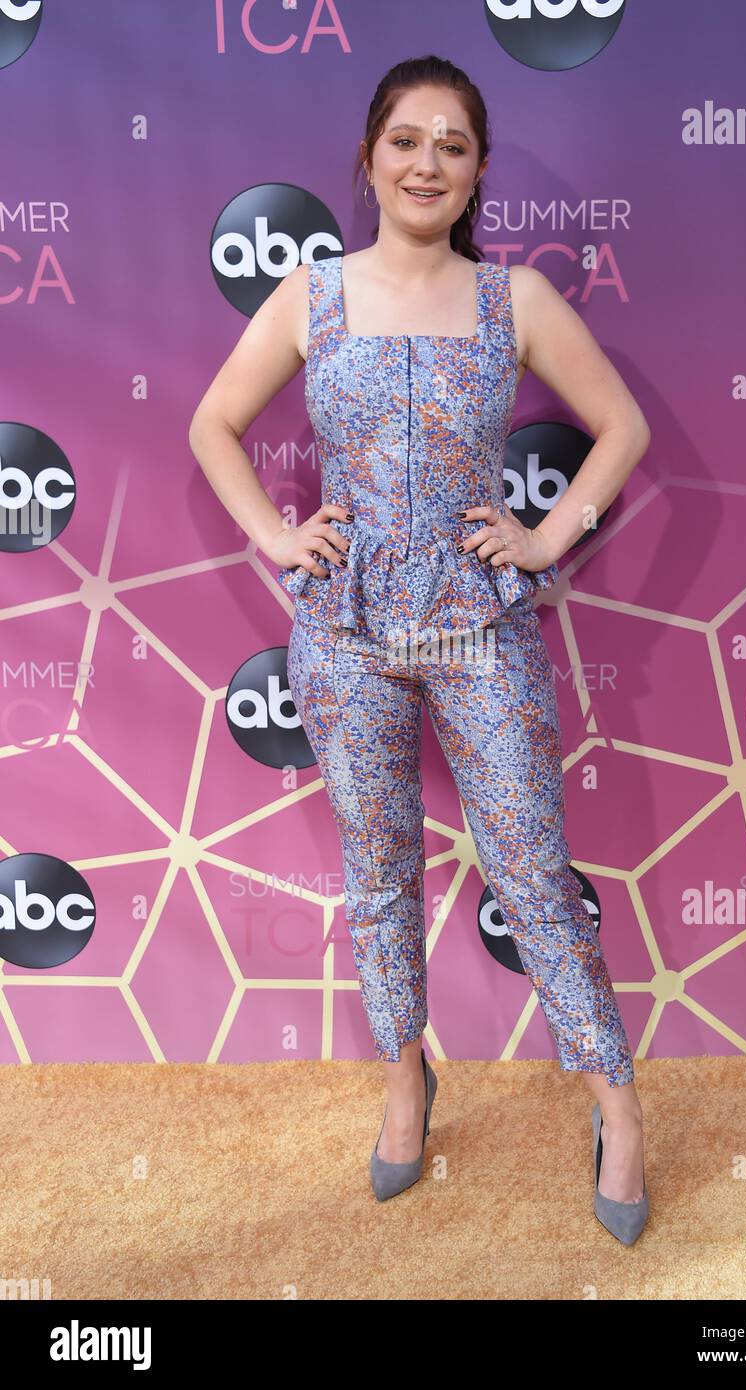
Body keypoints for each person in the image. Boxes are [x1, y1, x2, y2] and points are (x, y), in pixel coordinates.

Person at [189, 55, 651, 1244]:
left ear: (478, 169)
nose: (427, 162)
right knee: (380, 870)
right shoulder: (311, 295)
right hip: (345, 634)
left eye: (452, 144)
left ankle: (617, 1101)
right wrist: (279, 539)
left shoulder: (516, 302)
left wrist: (548, 532)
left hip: (480, 626)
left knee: (536, 874)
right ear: (369, 156)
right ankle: (407, 1079)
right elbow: (213, 423)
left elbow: (622, 426)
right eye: (406, 140)